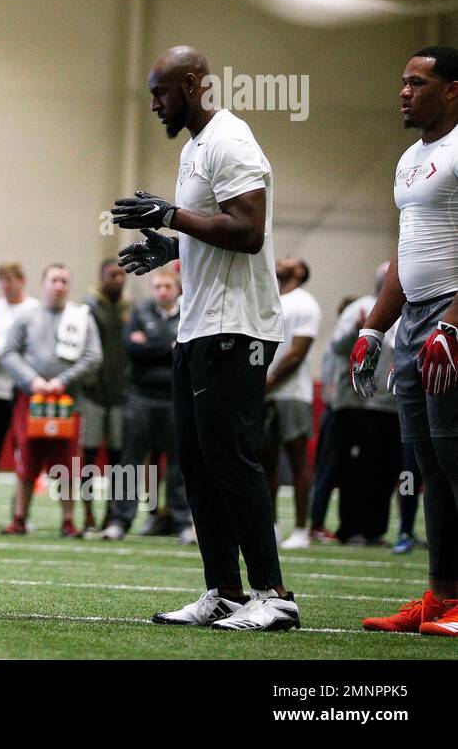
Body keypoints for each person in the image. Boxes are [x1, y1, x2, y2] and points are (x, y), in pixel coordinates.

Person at [115, 44, 298, 632]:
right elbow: (211, 227)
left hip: (237, 325)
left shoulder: (230, 139)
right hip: (199, 325)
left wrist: (170, 217)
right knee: (195, 463)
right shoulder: (196, 147)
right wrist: (171, 246)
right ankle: (222, 591)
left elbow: (247, 229)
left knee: (231, 459)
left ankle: (274, 594)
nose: (154, 105)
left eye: (161, 93)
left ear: (193, 84)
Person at [356, 45, 458, 637]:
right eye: (402, 81)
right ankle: (442, 596)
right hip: (416, 320)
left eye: (417, 82)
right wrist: (374, 326)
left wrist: (454, 324)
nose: (403, 91)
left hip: (451, 317)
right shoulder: (408, 159)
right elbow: (406, 254)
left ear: (452, 90)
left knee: (457, 460)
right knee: (431, 467)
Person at [0, 263, 102, 538]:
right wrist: (32, 380)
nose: (59, 286)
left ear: (69, 286)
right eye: (54, 280)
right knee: (26, 462)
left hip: (67, 402)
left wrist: (62, 380)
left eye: (64, 281)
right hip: (31, 400)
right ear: (43, 283)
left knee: (67, 463)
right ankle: (19, 518)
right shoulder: (26, 316)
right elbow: (8, 352)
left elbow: (93, 356)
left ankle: (68, 522)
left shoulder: (81, 317)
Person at [107, 268, 193, 542]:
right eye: (157, 286)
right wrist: (166, 347)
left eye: (167, 286)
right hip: (140, 396)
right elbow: (130, 347)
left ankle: (181, 522)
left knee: (179, 462)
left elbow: (185, 350)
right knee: (130, 459)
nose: (162, 291)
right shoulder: (140, 313)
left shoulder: (188, 314)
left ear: (177, 288)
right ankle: (120, 520)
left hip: (175, 397)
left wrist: (152, 345)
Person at [329, 267, 399, 545]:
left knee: (385, 470)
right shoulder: (360, 307)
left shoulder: (404, 312)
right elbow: (337, 346)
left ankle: (375, 530)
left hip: (389, 406)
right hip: (356, 404)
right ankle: (350, 527)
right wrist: (358, 331)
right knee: (354, 470)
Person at [262, 257, 321, 549]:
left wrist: (270, 380)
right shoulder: (268, 296)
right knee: (265, 461)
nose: (281, 261)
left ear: (300, 271)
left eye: (289, 260)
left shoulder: (305, 303)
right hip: (265, 393)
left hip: (291, 393)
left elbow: (297, 353)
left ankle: (300, 529)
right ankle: (270, 526)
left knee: (298, 460)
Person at [0, 262, 38, 520]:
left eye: (10, 279)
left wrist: (5, 356)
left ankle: (20, 514)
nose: (6, 284)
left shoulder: (33, 309)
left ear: (22, 280)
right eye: (2, 279)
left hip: (24, 390)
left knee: (25, 454)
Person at [80, 259, 131, 537]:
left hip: (120, 395)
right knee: (88, 456)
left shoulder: (130, 310)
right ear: (101, 278)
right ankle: (87, 513)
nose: (118, 279)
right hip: (92, 394)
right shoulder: (88, 309)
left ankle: (112, 512)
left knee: (116, 458)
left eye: (122, 274)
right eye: (112, 275)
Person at [306, 295, 357, 545]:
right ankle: (315, 523)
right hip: (337, 410)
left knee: (342, 471)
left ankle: (342, 525)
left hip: (342, 410)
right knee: (327, 469)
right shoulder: (341, 341)